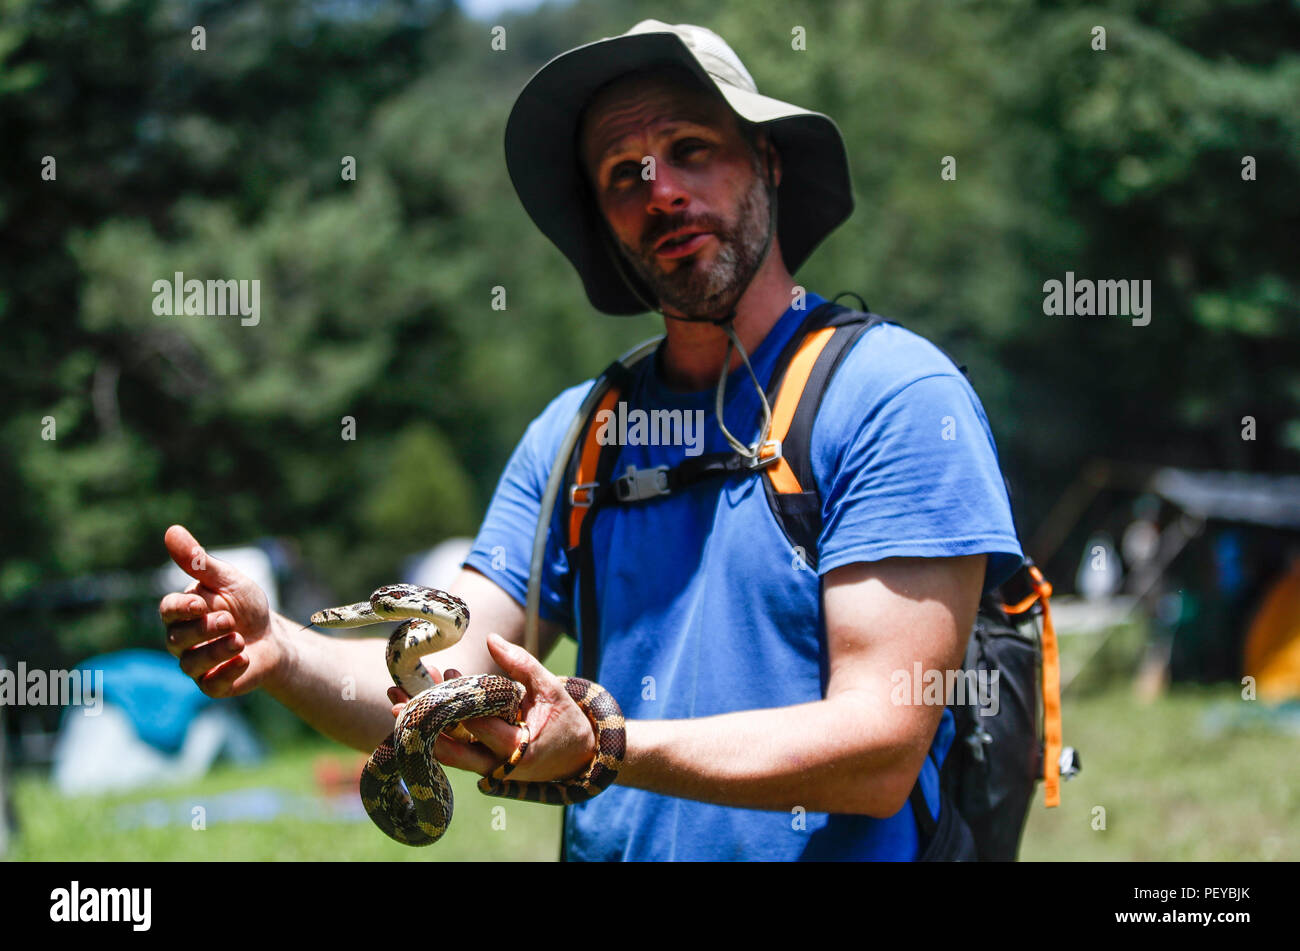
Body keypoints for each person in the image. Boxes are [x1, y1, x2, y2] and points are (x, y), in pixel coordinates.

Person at [159, 20, 1023, 860]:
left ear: (767, 161)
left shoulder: (894, 397)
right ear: (605, 222)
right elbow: (438, 685)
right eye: (623, 174)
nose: (663, 192)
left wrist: (609, 742)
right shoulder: (580, 435)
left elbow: (879, 749)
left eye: (692, 149)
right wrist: (276, 648)